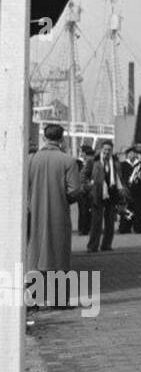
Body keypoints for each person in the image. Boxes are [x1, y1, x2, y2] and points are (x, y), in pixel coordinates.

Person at [27, 123, 82, 306]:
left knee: (35, 254)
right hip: (58, 213)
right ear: (62, 138)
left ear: (44, 137)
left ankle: (34, 298)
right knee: (58, 255)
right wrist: (64, 198)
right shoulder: (68, 161)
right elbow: (74, 190)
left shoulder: (31, 159)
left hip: (34, 213)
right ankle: (58, 299)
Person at [87, 139, 123, 253]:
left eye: (109, 150)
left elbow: (120, 178)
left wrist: (121, 192)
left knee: (110, 222)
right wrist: (88, 186)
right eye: (105, 149)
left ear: (112, 151)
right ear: (101, 149)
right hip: (98, 194)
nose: (107, 152)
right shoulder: (94, 161)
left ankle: (106, 245)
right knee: (96, 222)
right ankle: (93, 246)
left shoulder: (116, 163)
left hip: (112, 194)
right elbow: (84, 174)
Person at [121, 143, 141, 234]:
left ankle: (137, 227)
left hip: (140, 191)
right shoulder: (123, 164)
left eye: (134, 153)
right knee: (128, 209)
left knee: (139, 209)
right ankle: (126, 227)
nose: (132, 155)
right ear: (127, 155)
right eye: (130, 153)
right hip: (128, 191)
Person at [76, 141, 95, 236]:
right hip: (81, 190)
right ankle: (82, 229)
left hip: (90, 189)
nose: (85, 155)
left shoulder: (91, 163)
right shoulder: (78, 163)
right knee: (82, 210)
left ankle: (88, 228)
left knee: (89, 210)